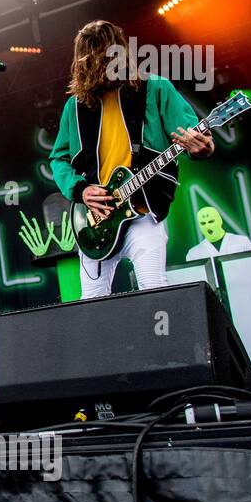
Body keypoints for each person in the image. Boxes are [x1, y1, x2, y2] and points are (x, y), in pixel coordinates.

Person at [48, 19, 215, 299]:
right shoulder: (74, 107)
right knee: (92, 305)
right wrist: (81, 190)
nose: (98, 63)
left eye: (103, 54)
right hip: (96, 220)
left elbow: (194, 138)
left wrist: (204, 147)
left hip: (143, 212)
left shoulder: (155, 88)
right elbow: (59, 159)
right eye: (90, 57)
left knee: (154, 295)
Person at [185, 206, 251, 262]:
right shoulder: (193, 254)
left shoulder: (242, 241)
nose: (207, 226)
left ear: (220, 221)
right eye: (203, 223)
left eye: (211, 221)